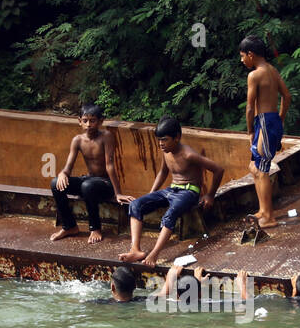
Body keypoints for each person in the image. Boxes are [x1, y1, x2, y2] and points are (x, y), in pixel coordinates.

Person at [118, 117, 224, 267]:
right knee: (136, 204)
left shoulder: (188, 154)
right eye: (159, 140)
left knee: (170, 213)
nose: (161, 144)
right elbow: (162, 173)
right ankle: (135, 249)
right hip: (171, 190)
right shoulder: (166, 151)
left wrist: (210, 195)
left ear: (177, 137)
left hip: (188, 192)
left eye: (165, 140)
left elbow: (218, 170)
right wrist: (151, 194)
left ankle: (154, 254)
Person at [50, 104, 131, 244]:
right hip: (89, 181)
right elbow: (68, 166)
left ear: (100, 121)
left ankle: (95, 228)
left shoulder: (106, 136)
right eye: (85, 120)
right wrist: (63, 173)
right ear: (79, 121)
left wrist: (117, 193)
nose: (89, 124)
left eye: (93, 121)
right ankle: (69, 226)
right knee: (55, 183)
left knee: (87, 186)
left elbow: (109, 165)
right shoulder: (78, 140)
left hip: (105, 184)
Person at [239, 36, 291, 228]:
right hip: (271, 121)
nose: (242, 60)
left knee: (262, 170)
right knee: (254, 167)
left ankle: (269, 216)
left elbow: (250, 108)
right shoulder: (272, 70)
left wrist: (250, 131)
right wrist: (280, 119)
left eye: (243, 56)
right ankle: (262, 210)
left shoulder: (254, 75)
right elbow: (287, 96)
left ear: (251, 55)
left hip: (264, 122)